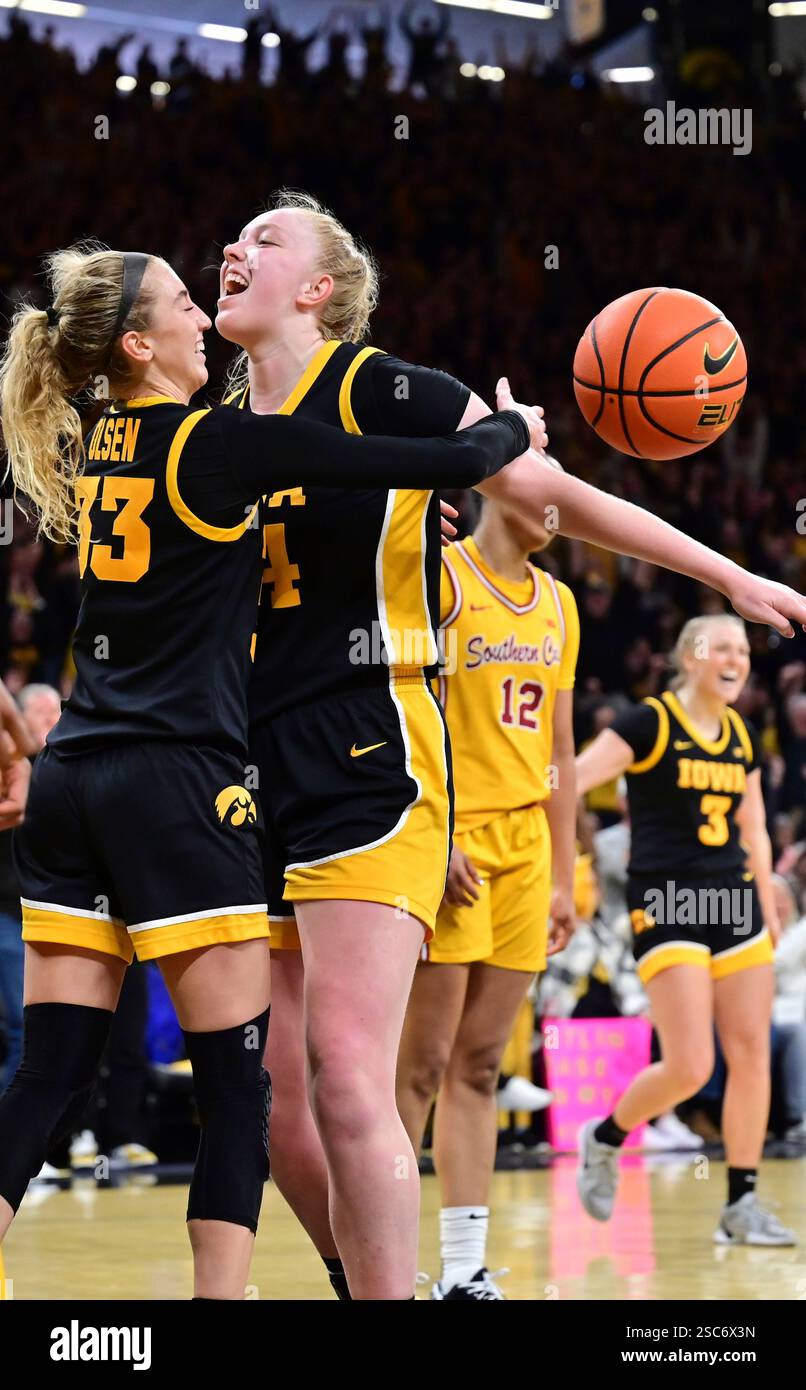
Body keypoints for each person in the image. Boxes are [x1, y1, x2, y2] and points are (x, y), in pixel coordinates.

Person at [216, 189, 806, 1300]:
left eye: (264, 237)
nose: (233, 249)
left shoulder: (378, 386)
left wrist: (727, 576)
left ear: (319, 289)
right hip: (240, 757)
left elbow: (556, 492)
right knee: (270, 1095)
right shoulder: (213, 415)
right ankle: (361, 1279)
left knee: (355, 1078)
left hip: (366, 744)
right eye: (232, 238)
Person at [0, 243, 537, 1298]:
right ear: (140, 343)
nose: (204, 315)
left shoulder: (94, 436)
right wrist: (514, 430)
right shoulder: (223, 445)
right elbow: (443, 466)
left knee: (46, 1075)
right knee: (237, 1088)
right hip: (175, 779)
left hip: (70, 779)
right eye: (183, 306)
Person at [395, 470, 578, 1300]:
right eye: (542, 490)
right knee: (421, 1065)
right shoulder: (444, 579)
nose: (554, 508)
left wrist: (567, 875)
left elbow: (563, 755)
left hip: (528, 848)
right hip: (453, 840)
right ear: (494, 489)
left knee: (479, 1065)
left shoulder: (561, 603)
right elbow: (403, 708)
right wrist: (432, 834)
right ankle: (389, 1263)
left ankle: (465, 1269)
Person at [575, 614, 797, 1245]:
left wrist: (766, 899)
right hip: (667, 902)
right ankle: (607, 1134)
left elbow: (753, 827)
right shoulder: (648, 722)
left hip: (735, 905)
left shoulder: (743, 733)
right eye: (722, 648)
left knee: (751, 1055)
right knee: (692, 1065)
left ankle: (741, 1204)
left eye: (743, 651)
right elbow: (573, 780)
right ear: (691, 657)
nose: (737, 659)